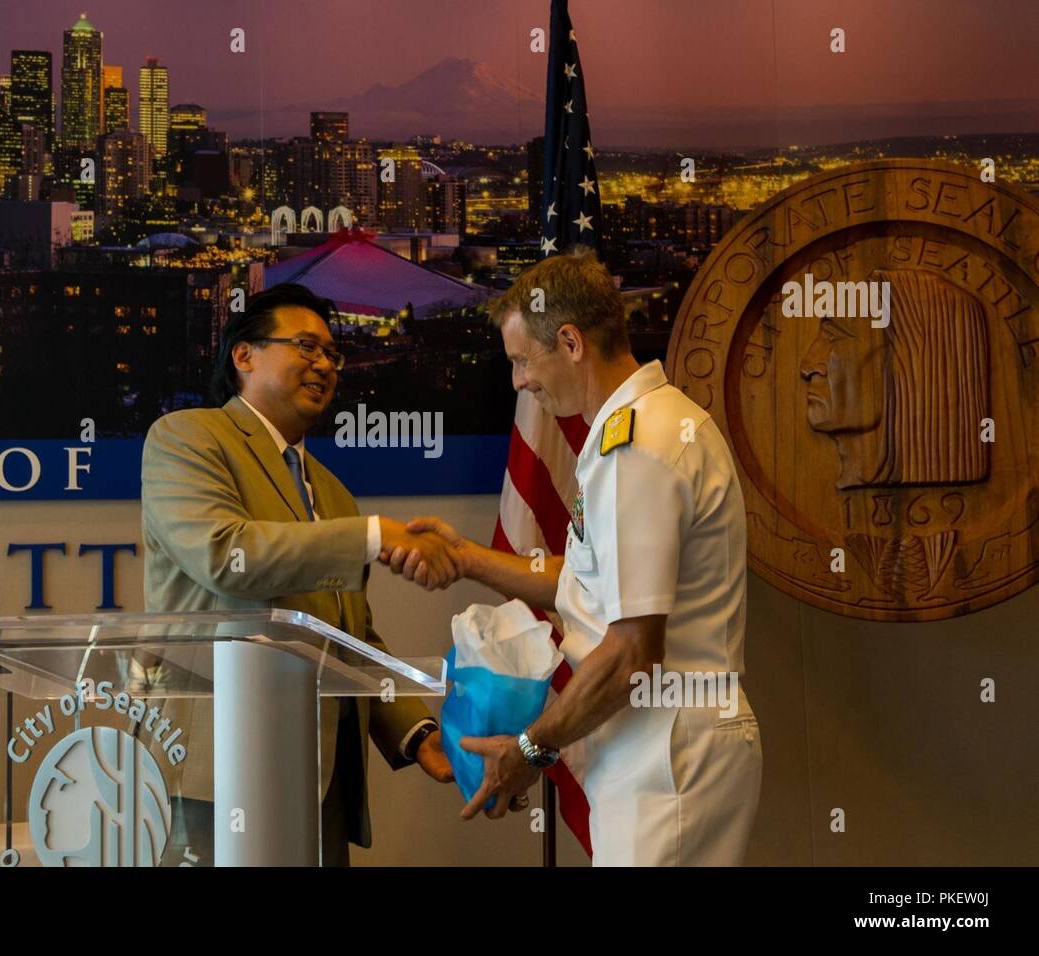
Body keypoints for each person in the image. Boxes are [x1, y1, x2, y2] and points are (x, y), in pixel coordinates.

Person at [386, 248, 762, 866]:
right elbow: (590, 583)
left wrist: (531, 748)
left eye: (521, 361)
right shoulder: (643, 427)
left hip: (666, 747)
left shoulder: (636, 446)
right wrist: (467, 558)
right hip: (653, 741)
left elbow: (631, 647)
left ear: (570, 341)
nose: (518, 383)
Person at [141, 282, 456, 866]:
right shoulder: (186, 437)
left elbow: (351, 639)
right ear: (245, 355)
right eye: (306, 346)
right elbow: (222, 553)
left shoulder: (333, 492)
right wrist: (371, 535)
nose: (324, 365)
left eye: (332, 354)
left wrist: (416, 732)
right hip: (215, 778)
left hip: (321, 785)